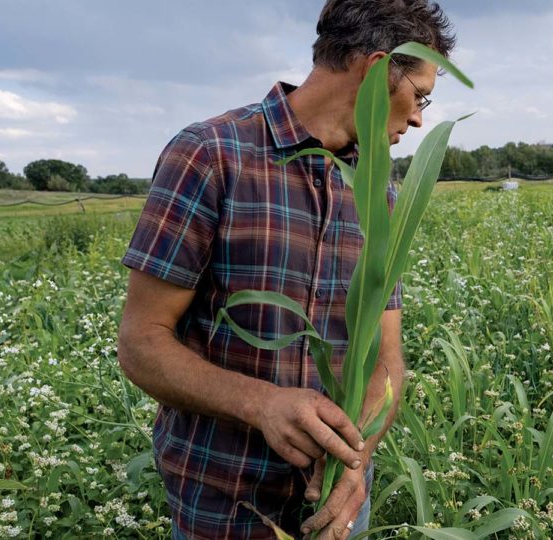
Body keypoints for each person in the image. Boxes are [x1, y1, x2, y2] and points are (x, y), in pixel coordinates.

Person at [116, 1, 456, 538]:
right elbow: (140, 342)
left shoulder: (380, 196)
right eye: (420, 95)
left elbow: (385, 359)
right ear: (373, 72)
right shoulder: (210, 156)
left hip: (340, 504)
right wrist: (262, 405)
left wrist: (356, 458)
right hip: (224, 503)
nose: (418, 119)